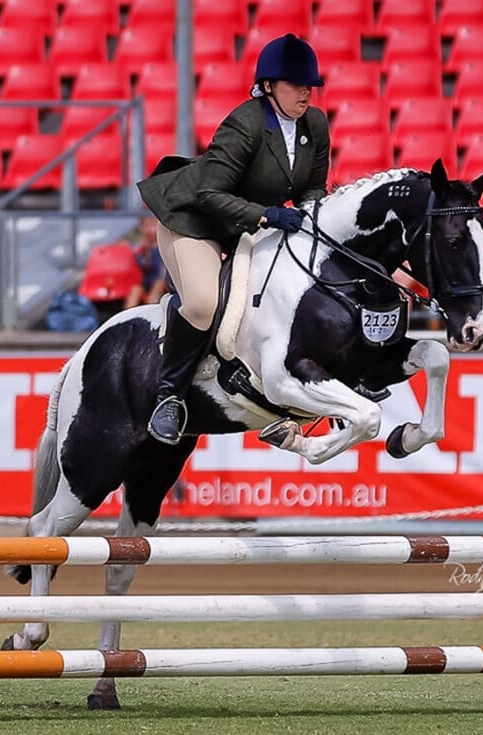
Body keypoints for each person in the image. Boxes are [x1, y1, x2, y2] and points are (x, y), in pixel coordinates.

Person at [136, 33, 332, 445]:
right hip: (193, 220)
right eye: (295, 84)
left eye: (309, 85)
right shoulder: (245, 122)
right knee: (205, 302)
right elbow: (209, 194)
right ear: (267, 87)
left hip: (244, 226)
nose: (305, 92)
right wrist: (267, 214)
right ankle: (169, 397)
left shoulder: (314, 124)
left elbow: (314, 188)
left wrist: (322, 219)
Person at [124, 215, 170, 309]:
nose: (149, 230)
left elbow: (164, 268)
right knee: (135, 290)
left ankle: (150, 312)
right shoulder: (144, 247)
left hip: (162, 281)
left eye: (152, 225)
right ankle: (127, 316)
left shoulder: (165, 245)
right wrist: (146, 250)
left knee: (157, 285)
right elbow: (144, 264)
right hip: (147, 282)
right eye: (146, 226)